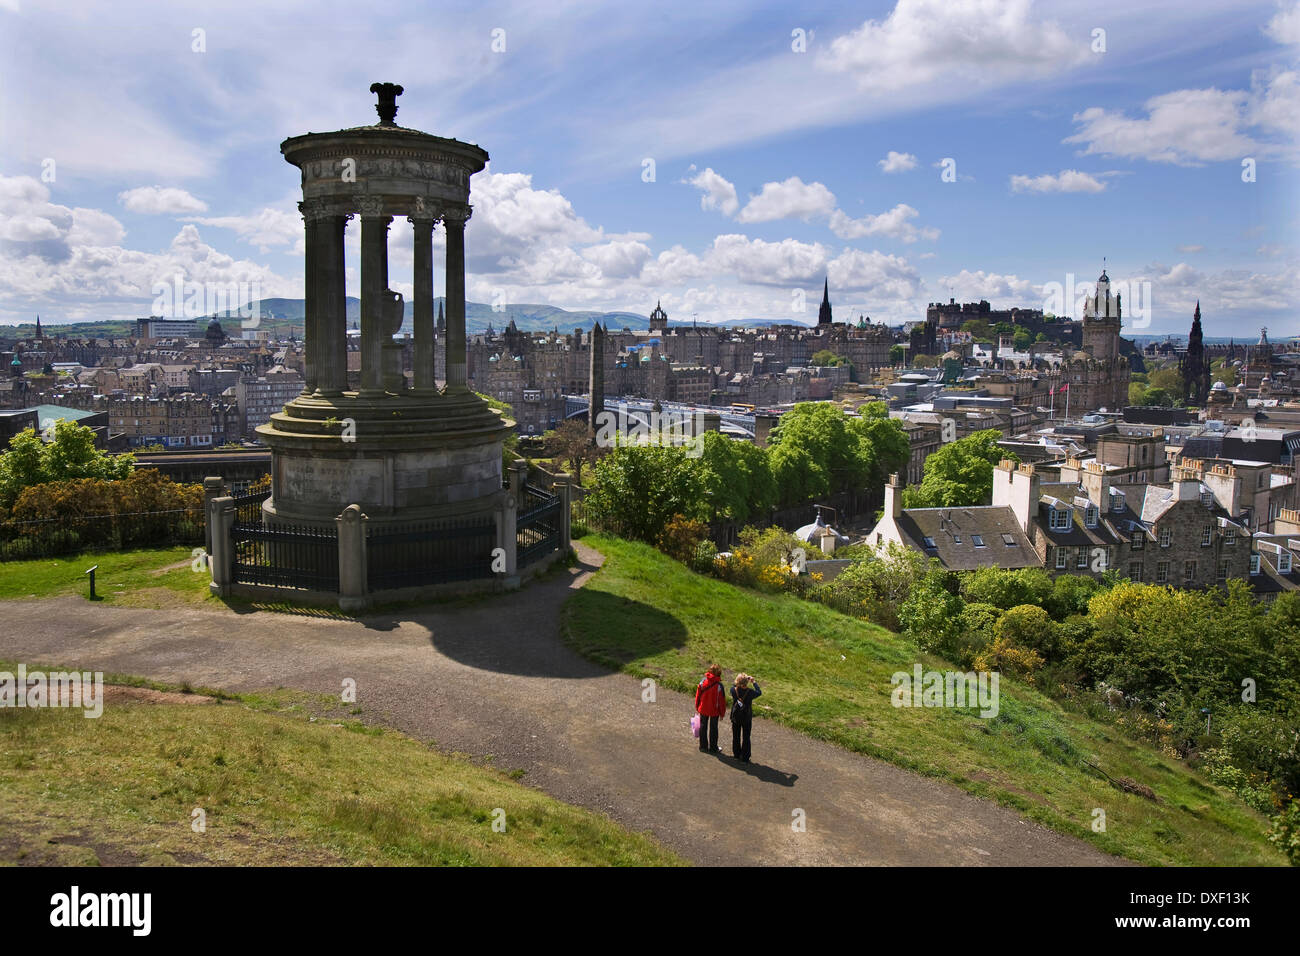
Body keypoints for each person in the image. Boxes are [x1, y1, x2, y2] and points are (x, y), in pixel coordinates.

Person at [694, 665, 727, 753]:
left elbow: (698, 695)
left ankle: (703, 746)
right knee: (713, 729)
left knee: (703, 727)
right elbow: (721, 702)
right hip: (714, 711)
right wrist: (722, 713)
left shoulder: (702, 682)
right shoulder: (719, 686)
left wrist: (697, 706)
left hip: (703, 708)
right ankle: (713, 748)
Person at [730, 673, 762, 762]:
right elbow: (759, 692)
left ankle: (736, 754)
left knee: (736, 736)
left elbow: (733, 685)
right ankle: (745, 756)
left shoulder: (733, 690)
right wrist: (754, 682)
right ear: (746, 683)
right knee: (746, 737)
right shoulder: (751, 692)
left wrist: (740, 680)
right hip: (746, 717)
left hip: (736, 717)